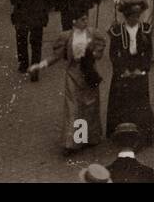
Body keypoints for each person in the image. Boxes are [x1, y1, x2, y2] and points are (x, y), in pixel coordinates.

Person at [29, 11, 106, 151]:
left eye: (86, 18)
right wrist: (40, 65)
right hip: (73, 75)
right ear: (74, 21)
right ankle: (75, 141)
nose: (86, 21)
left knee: (90, 106)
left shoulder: (93, 34)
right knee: (74, 108)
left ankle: (90, 137)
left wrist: (92, 53)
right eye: (82, 19)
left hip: (89, 74)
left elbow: (100, 52)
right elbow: (56, 56)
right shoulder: (66, 36)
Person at [107, 0, 154, 146]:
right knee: (122, 101)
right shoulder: (117, 31)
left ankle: (145, 133)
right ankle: (122, 133)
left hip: (139, 66)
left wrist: (142, 69)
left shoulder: (145, 29)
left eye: (137, 16)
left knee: (140, 101)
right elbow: (113, 54)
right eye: (132, 17)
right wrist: (122, 70)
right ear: (126, 17)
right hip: (123, 67)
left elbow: (148, 52)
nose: (135, 19)